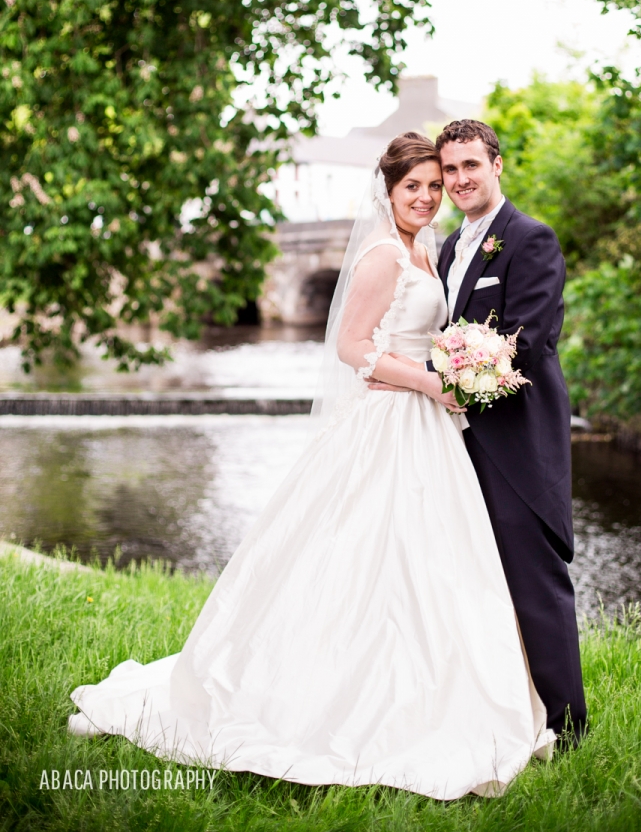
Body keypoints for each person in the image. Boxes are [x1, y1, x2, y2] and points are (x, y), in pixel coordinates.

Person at [68, 132, 555, 800]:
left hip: (429, 431)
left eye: (433, 185)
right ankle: (328, 698)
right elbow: (351, 347)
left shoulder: (431, 251)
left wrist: (458, 366)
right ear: (388, 192)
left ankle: (444, 691)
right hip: (389, 422)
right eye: (412, 185)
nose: (425, 195)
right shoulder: (384, 255)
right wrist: (428, 379)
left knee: (437, 563)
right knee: (356, 558)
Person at [426, 119, 587, 742]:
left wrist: (432, 381)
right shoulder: (449, 246)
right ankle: (499, 715)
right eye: (450, 171)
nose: (460, 180)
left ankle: (569, 727)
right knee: (471, 580)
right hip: (456, 441)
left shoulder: (531, 239)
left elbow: (525, 344)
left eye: (471, 165)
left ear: (497, 165)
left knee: (534, 581)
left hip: (518, 445)